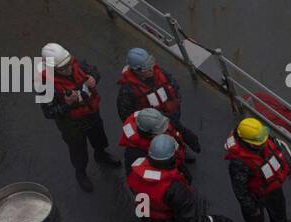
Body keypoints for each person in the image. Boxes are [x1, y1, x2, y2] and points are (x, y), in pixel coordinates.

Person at [127, 134, 228, 222]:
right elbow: (190, 221)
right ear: (172, 156)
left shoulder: (135, 173)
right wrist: (214, 221)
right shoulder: (174, 188)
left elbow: (136, 193)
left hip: (149, 218)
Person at [37, 42, 120, 192]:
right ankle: (80, 173)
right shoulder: (43, 84)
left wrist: (93, 78)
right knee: (78, 151)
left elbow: (95, 71)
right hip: (71, 123)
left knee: (99, 138)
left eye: (69, 63)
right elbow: (48, 113)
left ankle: (101, 154)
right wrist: (67, 104)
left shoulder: (79, 65)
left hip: (92, 113)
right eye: (63, 68)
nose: (69, 69)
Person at [224, 117, 291, 222]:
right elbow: (240, 190)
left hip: (272, 185)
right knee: (255, 219)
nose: (264, 141)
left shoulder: (262, 137)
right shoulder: (238, 163)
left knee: (279, 204)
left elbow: (277, 152)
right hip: (255, 195)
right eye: (260, 141)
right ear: (248, 142)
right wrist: (250, 207)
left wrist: (288, 167)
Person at [115, 47, 200, 153]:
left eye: (150, 64)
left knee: (175, 134)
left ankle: (179, 147)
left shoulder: (160, 73)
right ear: (137, 70)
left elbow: (174, 88)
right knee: (162, 144)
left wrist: (175, 108)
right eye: (147, 67)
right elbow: (126, 115)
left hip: (172, 115)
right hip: (154, 126)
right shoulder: (128, 90)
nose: (151, 69)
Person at [118, 107, 189, 170]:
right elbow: (133, 171)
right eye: (160, 129)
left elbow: (174, 123)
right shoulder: (134, 153)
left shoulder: (152, 119)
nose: (165, 129)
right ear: (150, 134)